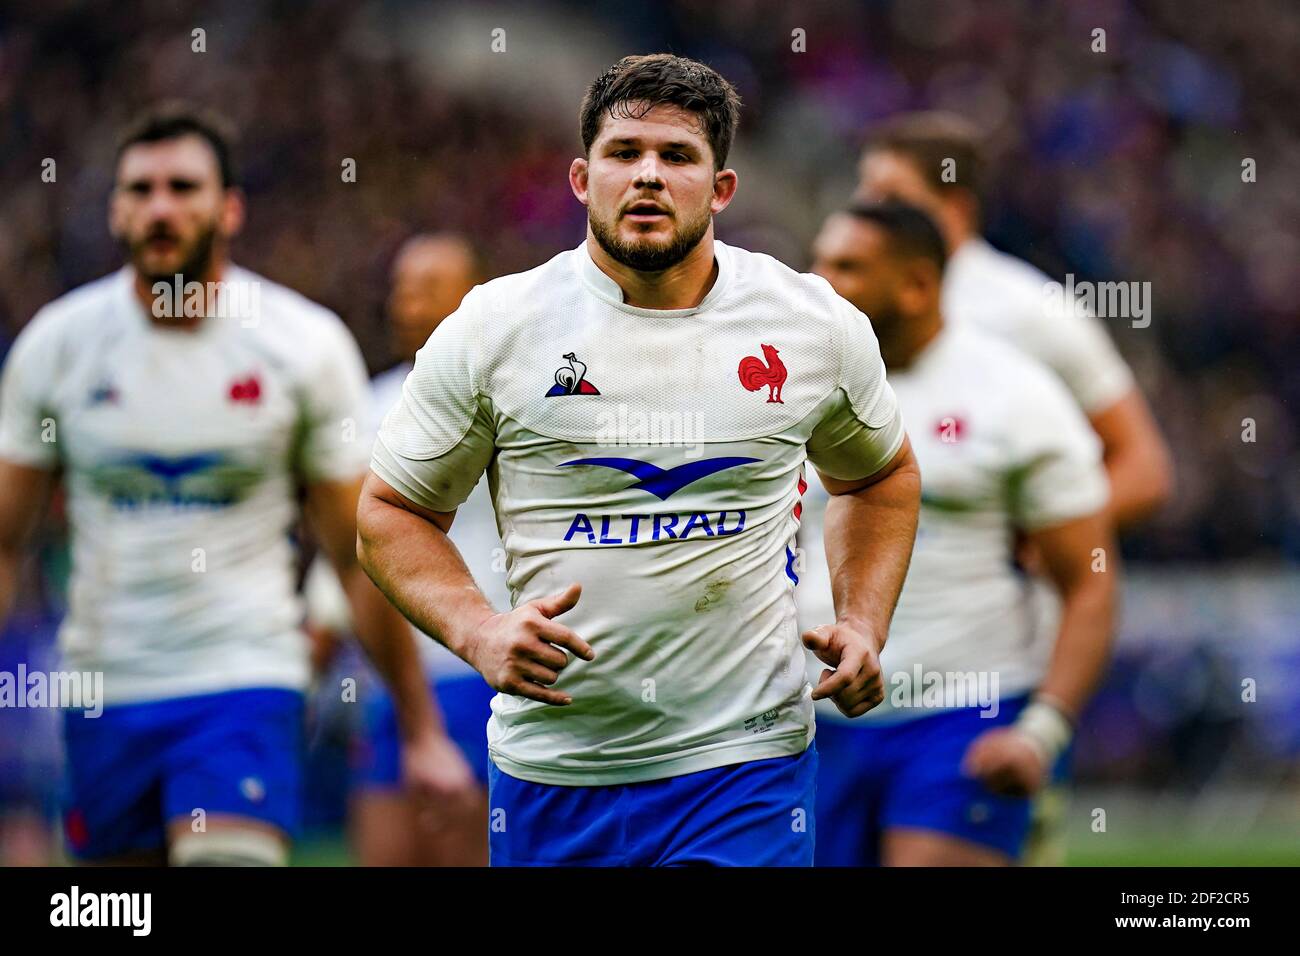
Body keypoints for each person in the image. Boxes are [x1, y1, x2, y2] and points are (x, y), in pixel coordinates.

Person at [356, 54, 921, 867]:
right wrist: (478, 631)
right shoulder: (496, 327)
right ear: (583, 179)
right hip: (555, 771)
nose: (648, 176)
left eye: (677, 156)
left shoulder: (811, 323)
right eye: (625, 155)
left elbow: (879, 476)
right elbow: (390, 511)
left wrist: (865, 619)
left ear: (721, 188)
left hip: (744, 764)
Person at [0, 105, 462, 865]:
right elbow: (6, 540)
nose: (160, 207)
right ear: (114, 209)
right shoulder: (57, 347)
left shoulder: (300, 344)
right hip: (103, 689)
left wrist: (418, 729)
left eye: (183, 187)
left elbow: (357, 555)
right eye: (140, 189)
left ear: (230, 207)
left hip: (244, 679)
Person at [856, 112, 1173, 862]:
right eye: (865, 192)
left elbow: (1144, 465)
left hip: (990, 663)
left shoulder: (1030, 314)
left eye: (892, 194)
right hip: (868, 666)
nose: (872, 212)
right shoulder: (851, 302)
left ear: (955, 207)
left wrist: (1037, 531)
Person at [802, 201, 1117, 865]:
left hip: (961, 717)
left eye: (847, 267)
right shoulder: (791, 389)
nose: (819, 280)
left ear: (916, 285)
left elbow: (1090, 583)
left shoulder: (1017, 396)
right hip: (807, 722)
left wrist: (1041, 731)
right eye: (822, 260)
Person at [305, 233, 497, 866]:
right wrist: (323, 630)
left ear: (472, 297)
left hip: (479, 669)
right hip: (390, 673)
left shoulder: (514, 400)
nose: (409, 305)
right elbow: (351, 541)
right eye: (402, 290)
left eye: (427, 289)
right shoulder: (370, 404)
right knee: (386, 848)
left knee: (464, 848)